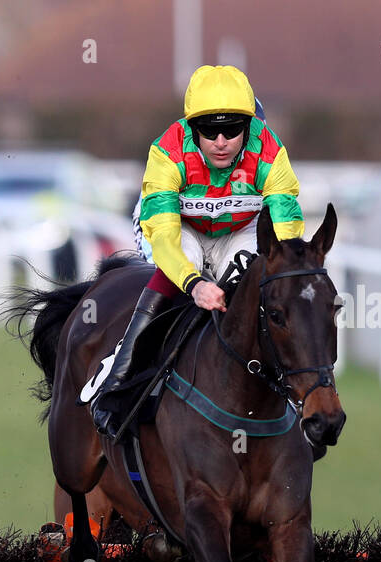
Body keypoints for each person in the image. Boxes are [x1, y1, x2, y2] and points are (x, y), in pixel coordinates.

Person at [91, 66, 304, 439]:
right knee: (186, 277)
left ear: (250, 129)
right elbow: (167, 240)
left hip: (237, 228)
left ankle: (294, 397)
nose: (221, 141)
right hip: (177, 227)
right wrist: (192, 283)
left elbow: (285, 236)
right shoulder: (167, 152)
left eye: (233, 130)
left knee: (255, 285)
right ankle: (119, 375)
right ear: (191, 129)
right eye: (209, 131)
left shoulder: (271, 153)